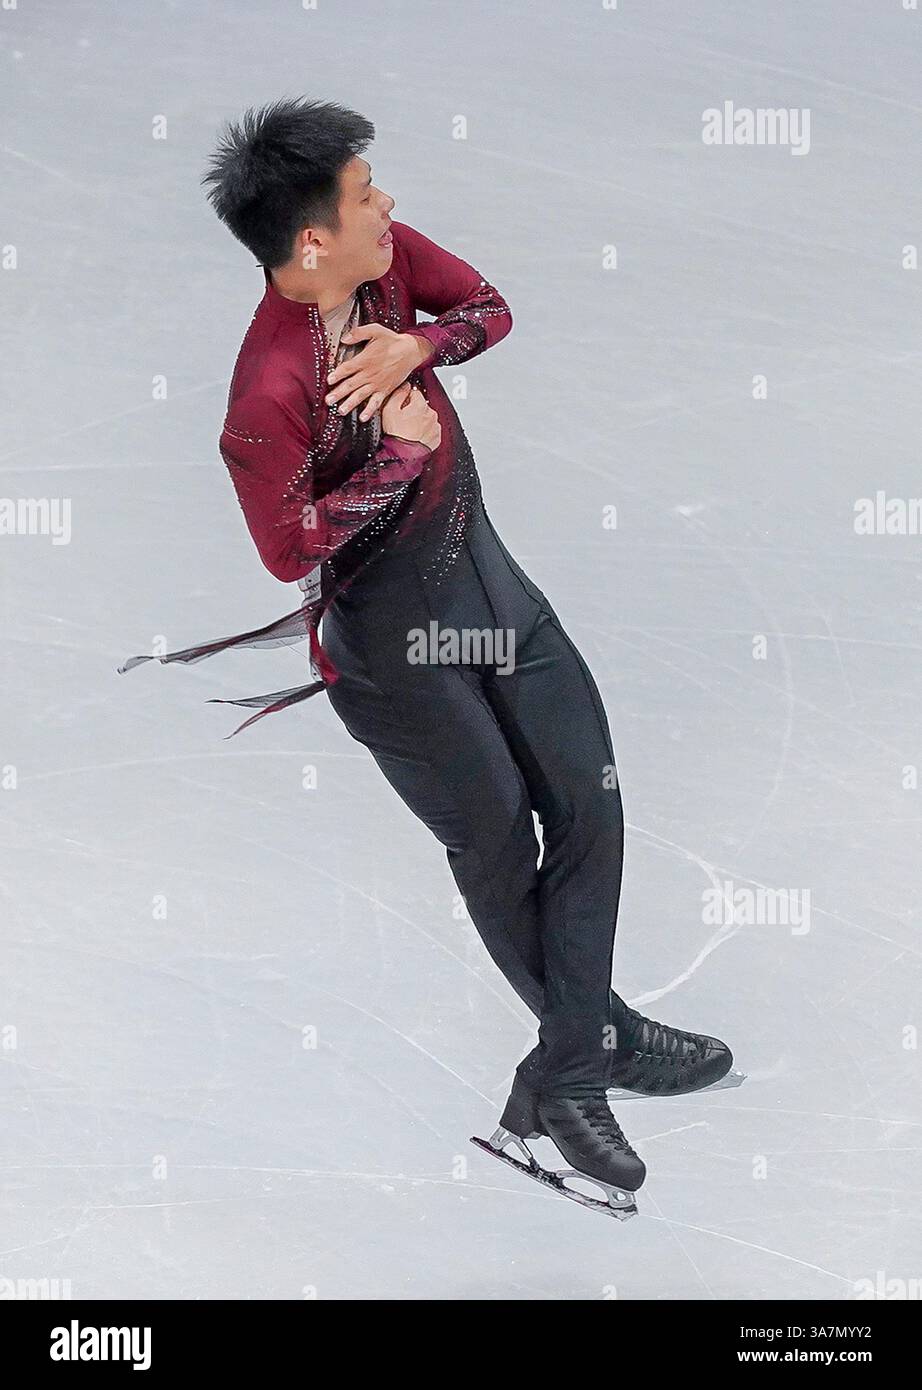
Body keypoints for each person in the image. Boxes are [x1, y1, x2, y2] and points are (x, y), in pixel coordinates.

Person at [121, 98, 738, 1218]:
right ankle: (588, 1058)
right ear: (312, 241)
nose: (386, 204)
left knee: (589, 804)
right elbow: (284, 549)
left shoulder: (396, 269)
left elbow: (492, 306)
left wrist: (423, 342)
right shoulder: (265, 393)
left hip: (496, 597)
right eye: (364, 195)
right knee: (501, 840)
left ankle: (575, 1053)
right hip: (394, 656)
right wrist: (399, 460)